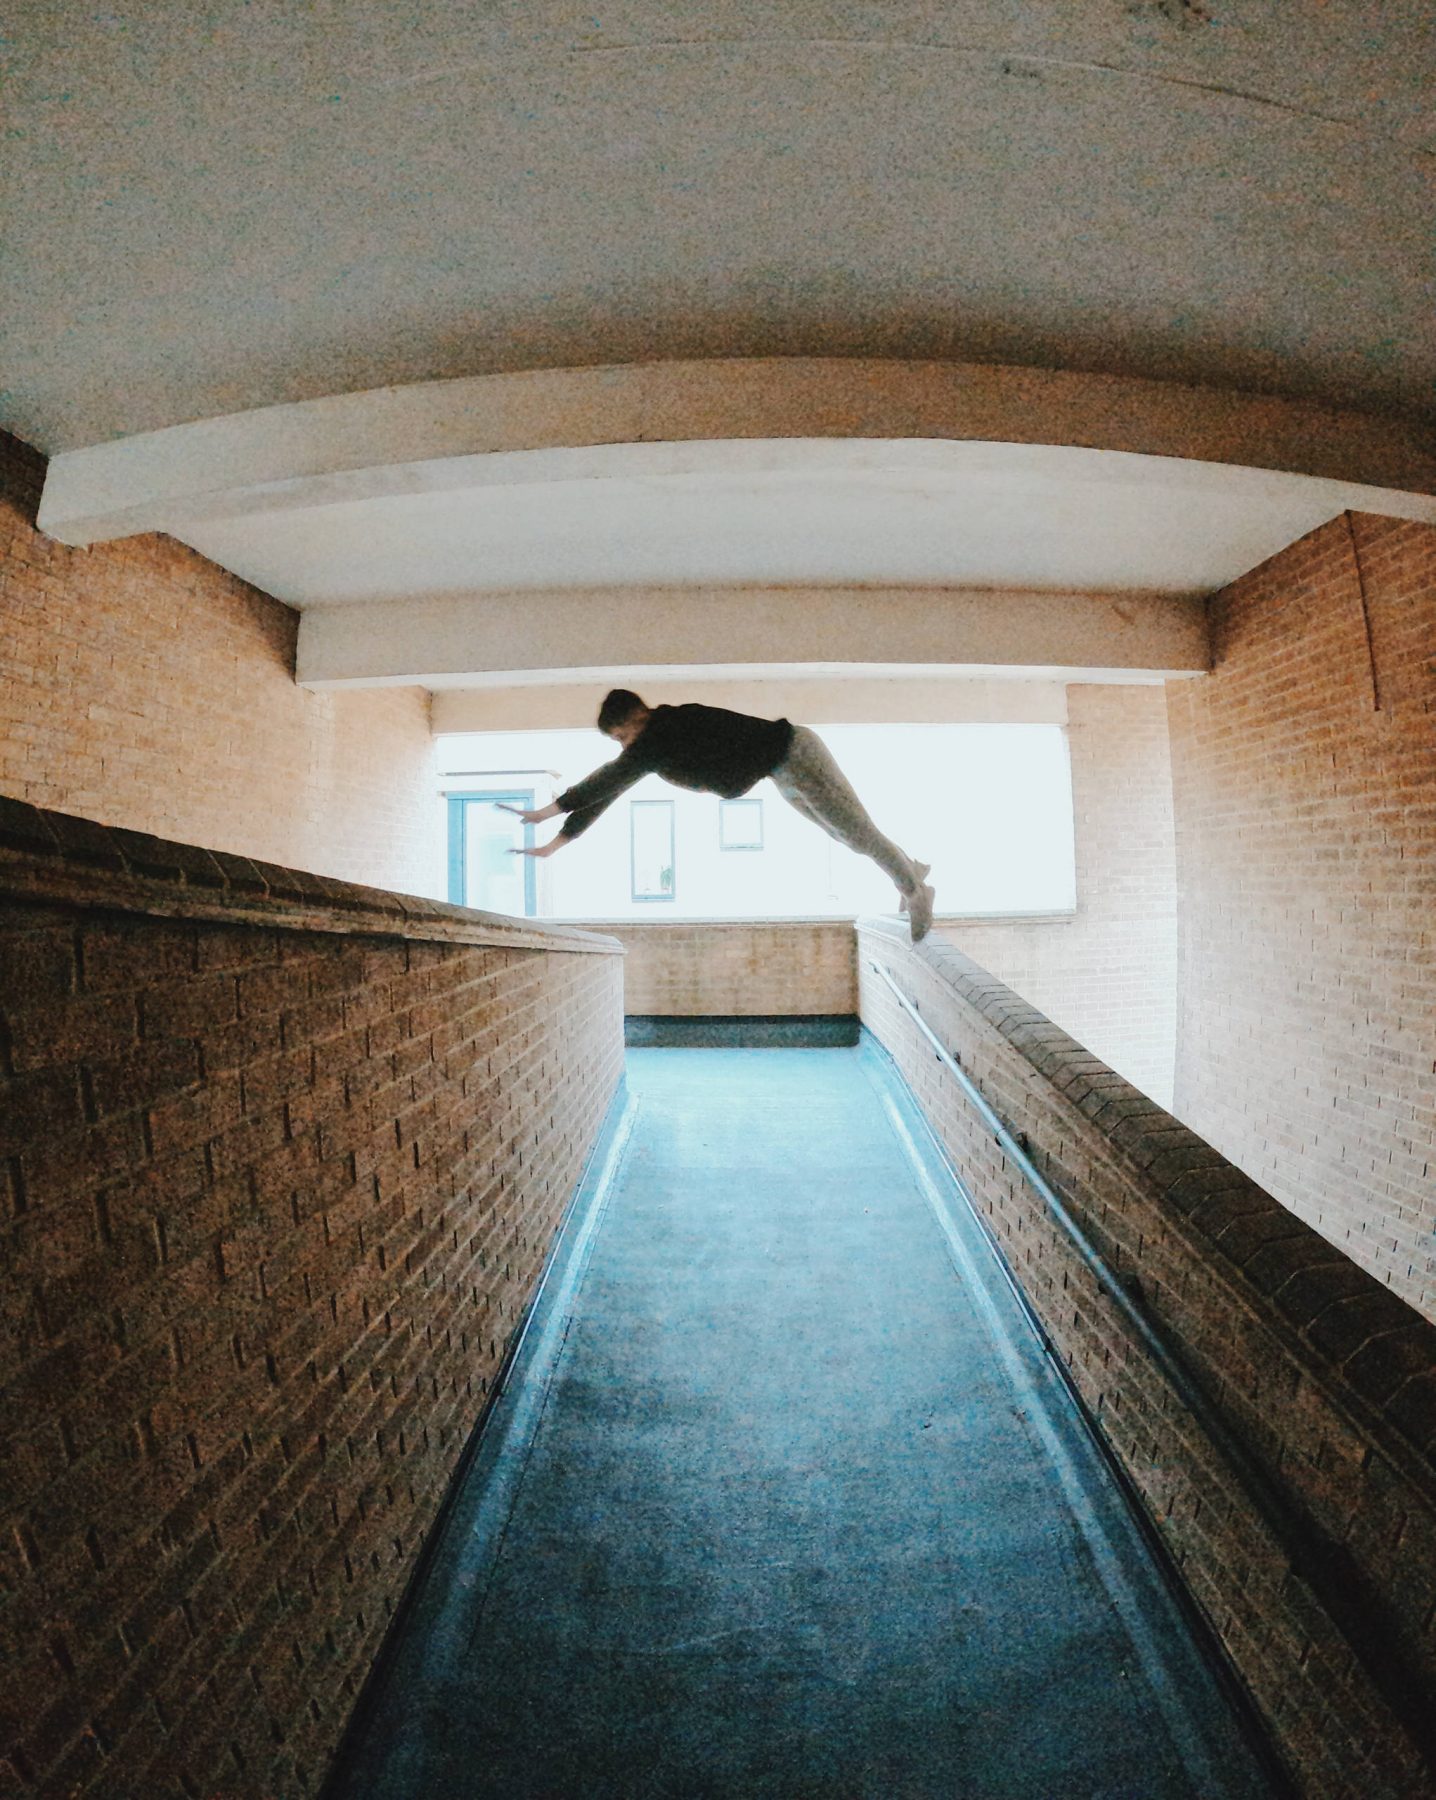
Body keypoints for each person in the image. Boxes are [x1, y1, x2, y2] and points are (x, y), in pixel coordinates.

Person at [506, 690, 936, 940]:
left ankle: (916, 891)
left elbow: (608, 778)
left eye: (622, 735)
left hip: (795, 754)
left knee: (856, 833)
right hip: (781, 769)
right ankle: (910, 868)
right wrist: (559, 841)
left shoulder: (663, 732)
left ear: (638, 716)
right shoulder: (654, 745)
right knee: (847, 835)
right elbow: (610, 790)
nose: (623, 746)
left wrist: (550, 810)